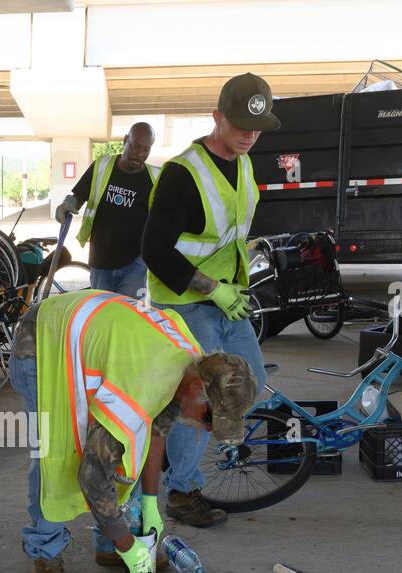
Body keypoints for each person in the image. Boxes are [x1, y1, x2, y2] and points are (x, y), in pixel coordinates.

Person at [9, 290, 257, 573]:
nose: (209, 428)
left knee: (120, 447)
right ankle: (46, 555)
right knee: (56, 456)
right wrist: (129, 544)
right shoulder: (141, 385)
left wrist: (151, 503)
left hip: (95, 333)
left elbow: (155, 433)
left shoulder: (193, 365)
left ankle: (107, 545)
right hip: (44, 339)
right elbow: (93, 476)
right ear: (199, 390)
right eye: (211, 417)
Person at [142, 73, 276, 530]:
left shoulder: (243, 163)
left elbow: (233, 230)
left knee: (249, 383)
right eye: (239, 125)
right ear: (216, 117)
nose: (248, 135)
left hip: (228, 299)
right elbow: (155, 250)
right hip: (186, 303)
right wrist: (211, 287)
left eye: (256, 128)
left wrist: (234, 284)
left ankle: (169, 447)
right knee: (202, 399)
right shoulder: (184, 173)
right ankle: (183, 490)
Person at [54, 123, 158, 297]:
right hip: (101, 260)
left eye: (145, 150)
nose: (139, 154)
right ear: (125, 140)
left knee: (127, 316)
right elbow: (79, 195)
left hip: (135, 264)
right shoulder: (101, 167)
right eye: (135, 146)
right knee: (100, 316)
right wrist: (68, 203)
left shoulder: (154, 178)